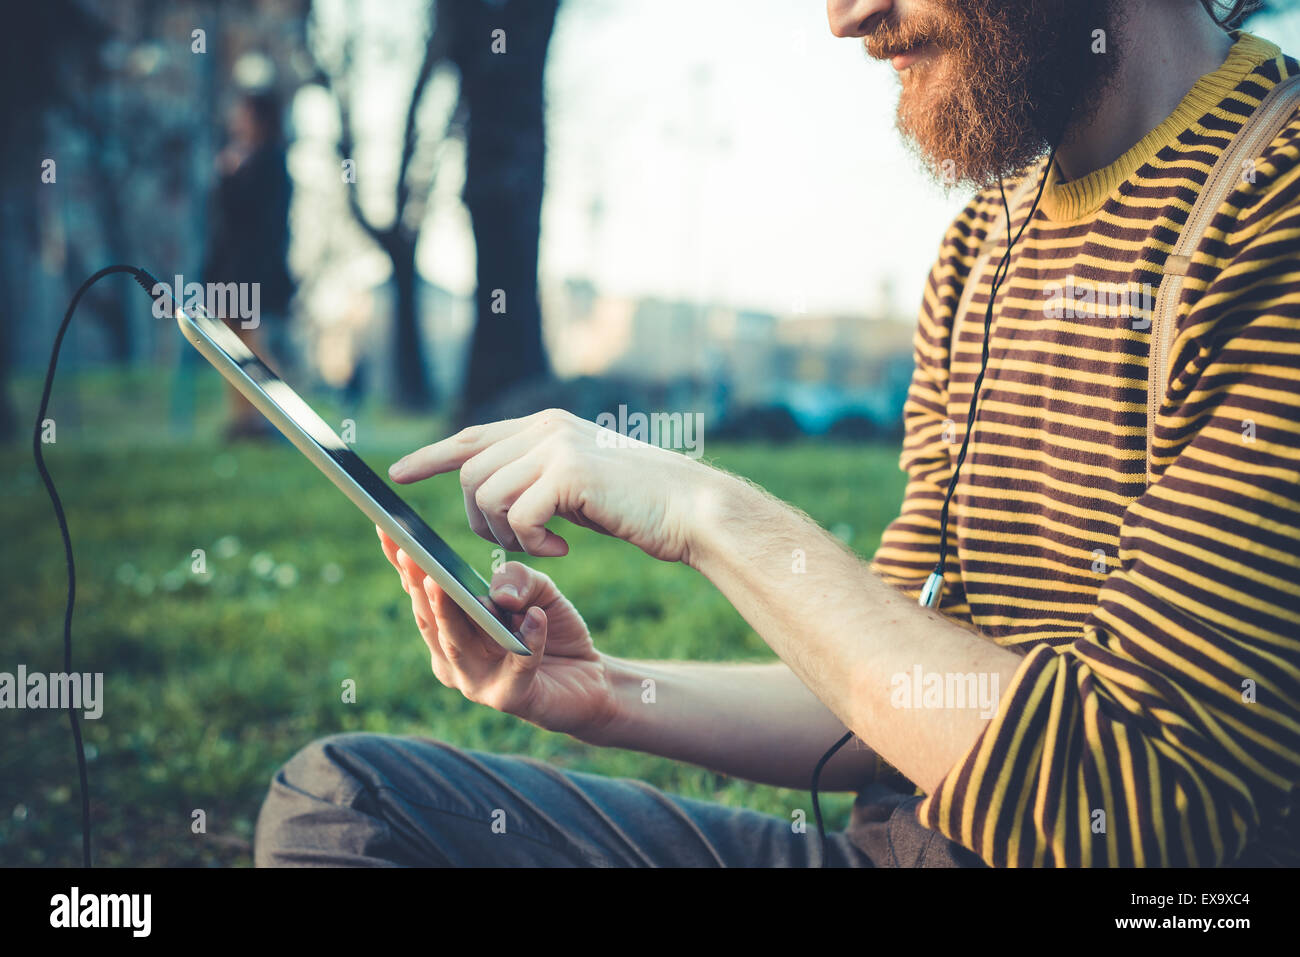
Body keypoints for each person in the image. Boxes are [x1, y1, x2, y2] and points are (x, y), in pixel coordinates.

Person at [254, 0, 1300, 867]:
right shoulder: (983, 243)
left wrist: (706, 510)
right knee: (343, 805)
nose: (846, 18)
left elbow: (1133, 803)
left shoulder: (1273, 206)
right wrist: (604, 692)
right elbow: (892, 688)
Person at [203, 87, 295, 441]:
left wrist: (230, 176)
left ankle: (275, 417)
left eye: (242, 114)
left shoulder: (270, 161)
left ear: (259, 119)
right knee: (230, 345)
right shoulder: (245, 158)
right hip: (232, 271)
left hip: (252, 271)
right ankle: (245, 419)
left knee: (253, 345)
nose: (235, 120)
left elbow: (253, 220)